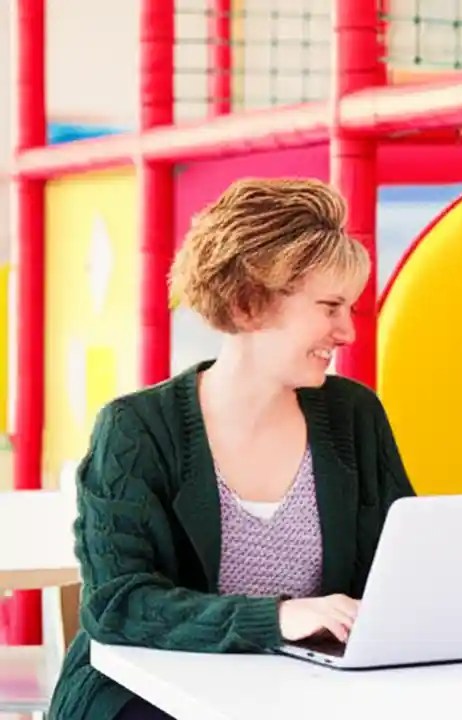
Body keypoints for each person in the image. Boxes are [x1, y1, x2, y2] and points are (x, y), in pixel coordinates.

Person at [48, 178, 416, 720]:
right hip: (148, 701)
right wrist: (276, 619)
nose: (346, 333)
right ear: (247, 305)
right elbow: (116, 605)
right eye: (330, 307)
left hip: (306, 697)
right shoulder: (134, 430)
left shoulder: (354, 415)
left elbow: (401, 573)